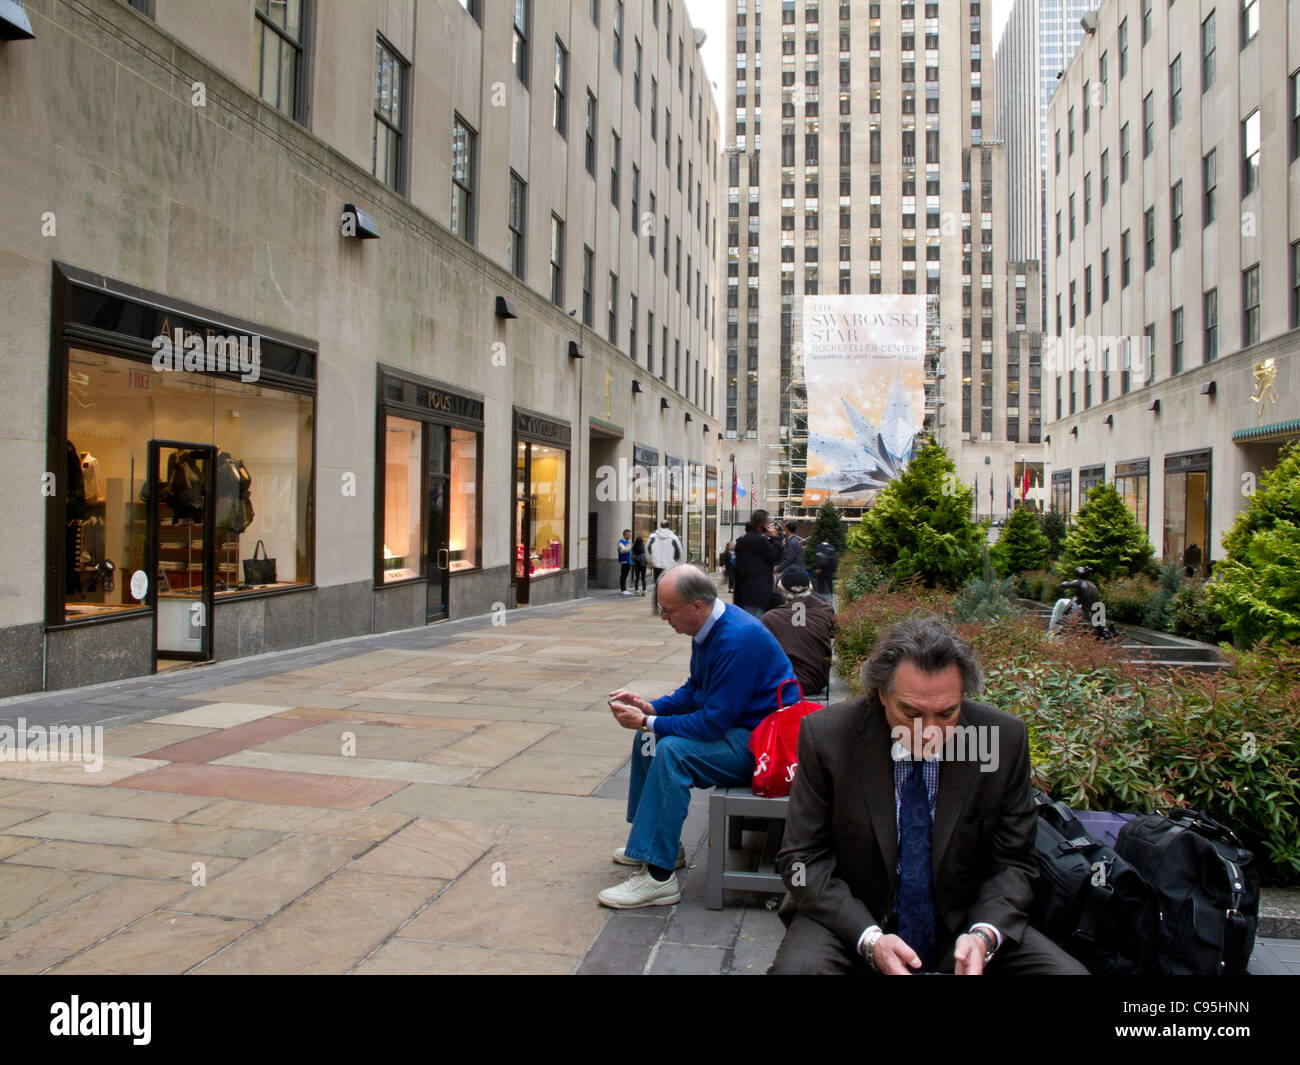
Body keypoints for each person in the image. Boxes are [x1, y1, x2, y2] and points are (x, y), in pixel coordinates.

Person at [770, 615, 1087, 975]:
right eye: (911, 713)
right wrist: (870, 939)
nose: (929, 732)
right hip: (851, 916)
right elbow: (801, 859)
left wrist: (984, 935)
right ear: (880, 695)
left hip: (963, 921)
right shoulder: (827, 737)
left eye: (947, 713)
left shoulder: (1001, 740)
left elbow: (1016, 863)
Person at [602, 565, 797, 908]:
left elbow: (711, 724)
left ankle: (659, 878)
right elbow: (695, 688)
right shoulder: (710, 628)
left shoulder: (735, 640)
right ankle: (656, 843)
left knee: (671, 750)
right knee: (648, 741)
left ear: (696, 606)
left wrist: (649, 721)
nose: (663, 617)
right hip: (743, 731)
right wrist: (652, 707)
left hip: (763, 745)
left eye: (667, 610)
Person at [759, 566, 837, 697]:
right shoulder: (826, 611)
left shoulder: (769, 619)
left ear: (779, 590)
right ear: (811, 588)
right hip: (816, 682)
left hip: (783, 684)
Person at [733, 509, 782, 617]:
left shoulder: (743, 540)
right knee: (753, 627)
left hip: (744, 593)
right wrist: (775, 538)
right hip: (757, 594)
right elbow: (776, 556)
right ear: (762, 525)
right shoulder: (759, 541)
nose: (769, 526)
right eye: (767, 523)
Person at [646, 520, 685, 615]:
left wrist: (651, 561)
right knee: (669, 587)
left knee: (658, 586)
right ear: (669, 526)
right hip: (669, 567)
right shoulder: (673, 538)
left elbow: (647, 549)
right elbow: (680, 553)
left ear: (660, 525)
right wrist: (677, 564)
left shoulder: (653, 537)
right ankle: (667, 607)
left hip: (657, 566)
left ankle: (656, 606)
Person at [618, 529, 633, 595]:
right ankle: (623, 589)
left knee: (625, 575)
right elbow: (622, 551)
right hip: (624, 561)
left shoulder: (627, 542)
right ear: (625, 534)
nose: (630, 536)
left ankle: (624, 589)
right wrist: (630, 546)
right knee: (623, 575)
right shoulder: (621, 542)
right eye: (629, 535)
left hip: (628, 561)